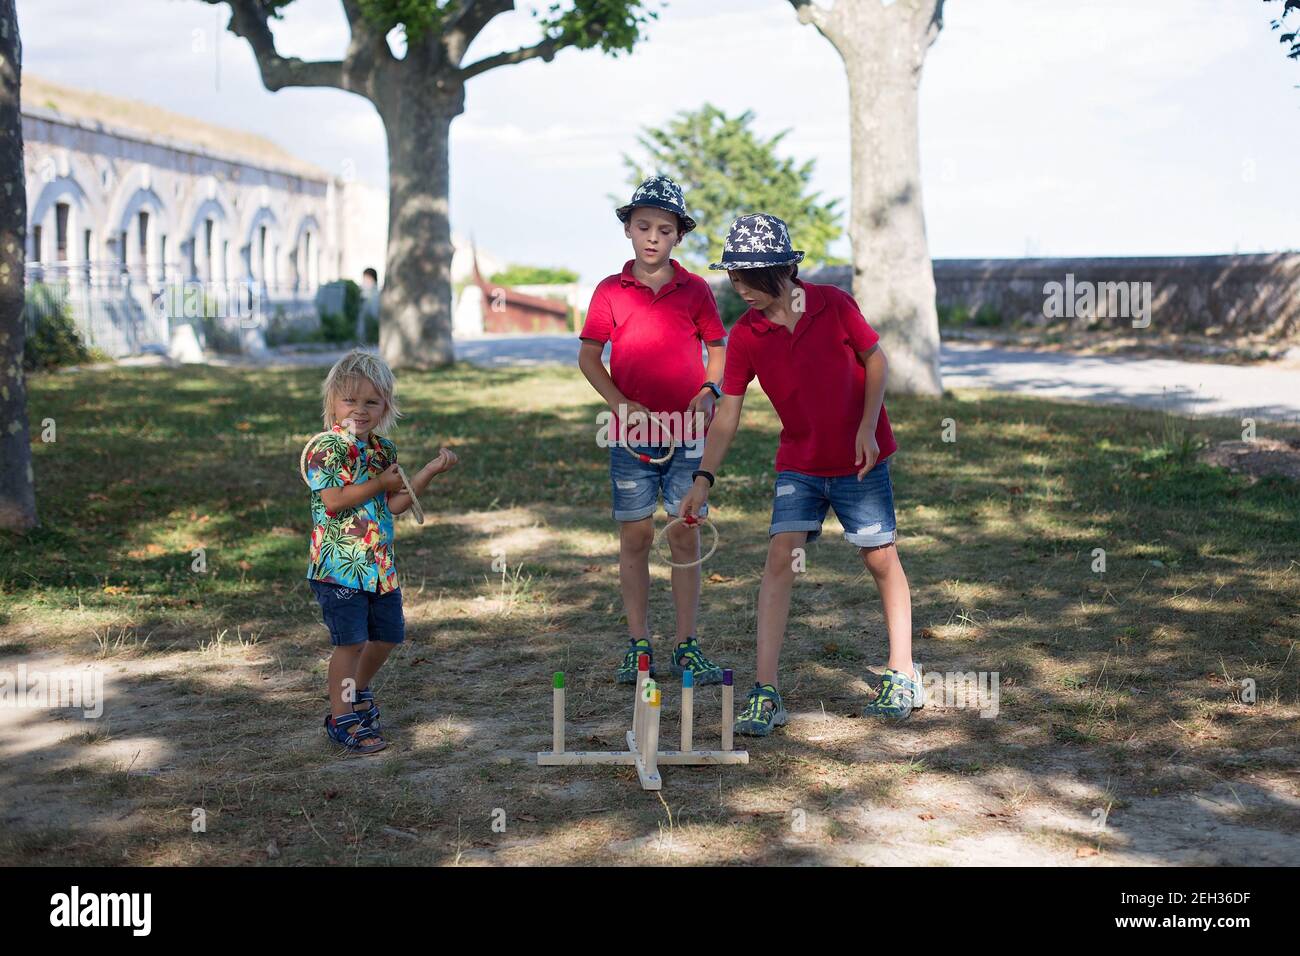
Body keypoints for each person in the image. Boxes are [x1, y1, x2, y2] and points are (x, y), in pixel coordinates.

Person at [680, 213, 920, 736]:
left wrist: (867, 428)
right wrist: (703, 478)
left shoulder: (833, 305)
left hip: (861, 460)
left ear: (780, 271)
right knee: (780, 555)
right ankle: (766, 691)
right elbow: (729, 412)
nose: (739, 289)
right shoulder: (746, 335)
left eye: (748, 279)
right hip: (800, 465)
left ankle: (903, 671)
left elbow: (875, 361)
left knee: (880, 557)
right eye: (734, 279)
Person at [576, 175, 730, 685]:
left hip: (687, 433)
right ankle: (639, 645)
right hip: (631, 437)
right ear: (627, 229)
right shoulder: (609, 291)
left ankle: (687, 645)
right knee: (636, 536)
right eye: (643, 226)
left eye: (664, 229)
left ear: (678, 237)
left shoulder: (696, 290)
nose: (652, 237)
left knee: (684, 537)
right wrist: (620, 403)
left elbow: (719, 350)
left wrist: (710, 391)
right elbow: (589, 356)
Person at [304, 349, 459, 754]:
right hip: (339, 567)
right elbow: (335, 500)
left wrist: (425, 472)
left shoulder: (382, 450)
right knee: (350, 642)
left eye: (371, 401)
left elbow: (394, 504)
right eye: (349, 400)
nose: (359, 409)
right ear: (333, 403)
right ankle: (341, 718)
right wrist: (379, 484)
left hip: (378, 567)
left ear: (386, 405)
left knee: (388, 636)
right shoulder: (325, 448)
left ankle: (356, 691)